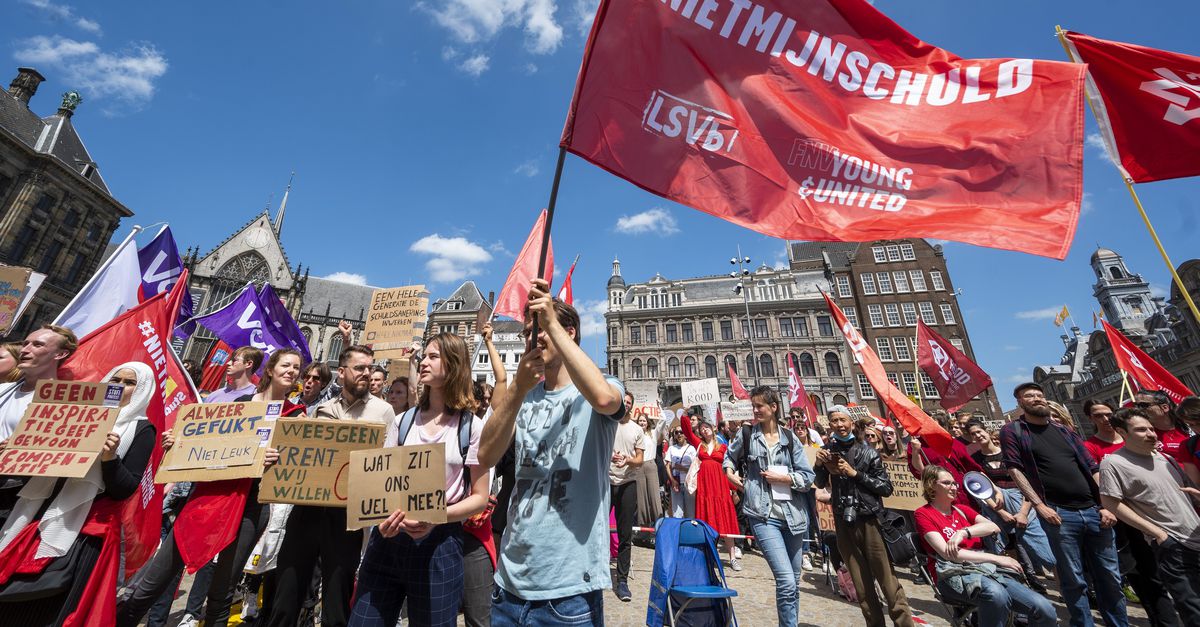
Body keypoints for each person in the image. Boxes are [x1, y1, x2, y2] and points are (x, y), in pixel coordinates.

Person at [478, 279, 623, 626]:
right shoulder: (523, 396)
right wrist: (516, 390)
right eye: (529, 331)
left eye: (540, 328)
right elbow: (485, 456)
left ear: (567, 331)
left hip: (569, 590)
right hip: (509, 583)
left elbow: (605, 400)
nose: (534, 338)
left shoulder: (603, 387)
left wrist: (551, 323)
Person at [118, 350, 298, 627]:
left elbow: (293, 467)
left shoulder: (296, 415)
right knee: (155, 579)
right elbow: (207, 447)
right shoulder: (241, 403)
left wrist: (279, 458)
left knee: (222, 591)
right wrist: (177, 443)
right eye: (286, 365)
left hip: (252, 503)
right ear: (271, 369)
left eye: (297, 368)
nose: (292, 371)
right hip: (209, 497)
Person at [349, 333, 489, 627]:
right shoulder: (403, 422)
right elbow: (383, 480)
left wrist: (435, 517)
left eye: (432, 357)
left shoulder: (471, 427)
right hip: (388, 538)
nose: (423, 362)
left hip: (440, 545)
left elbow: (480, 496)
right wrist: (384, 518)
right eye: (424, 356)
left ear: (453, 365)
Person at [0, 362, 156, 625]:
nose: (118, 387)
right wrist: (17, 450)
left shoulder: (140, 429)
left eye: (129, 383)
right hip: (33, 518)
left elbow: (125, 489)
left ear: (142, 391)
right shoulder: (70, 415)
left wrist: (110, 458)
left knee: (48, 602)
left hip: (82, 530)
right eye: (115, 379)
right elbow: (36, 470)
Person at [266, 345, 396, 627]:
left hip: (346, 518)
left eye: (369, 369)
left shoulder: (383, 411)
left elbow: (388, 464)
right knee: (286, 596)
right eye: (359, 368)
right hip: (307, 510)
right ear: (342, 373)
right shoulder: (322, 410)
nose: (366, 374)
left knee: (337, 603)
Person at [1001, 382, 1126, 627]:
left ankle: (1118, 624)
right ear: (1020, 403)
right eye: (1029, 396)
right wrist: (1040, 505)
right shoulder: (1013, 431)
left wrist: (1106, 504)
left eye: (1039, 395)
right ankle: (1083, 624)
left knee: (1110, 576)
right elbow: (1015, 469)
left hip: (1093, 510)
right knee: (1073, 579)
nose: (1036, 398)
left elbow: (1092, 467)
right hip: (1059, 512)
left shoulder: (1064, 431)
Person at [914, 465, 1057, 627]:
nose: (954, 487)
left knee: (1045, 609)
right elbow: (949, 554)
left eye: (955, 483)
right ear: (931, 485)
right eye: (947, 483)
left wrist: (963, 532)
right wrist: (997, 559)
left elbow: (992, 527)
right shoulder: (923, 513)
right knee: (996, 595)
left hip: (986, 571)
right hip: (952, 574)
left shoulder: (961, 510)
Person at [815, 405, 914, 627]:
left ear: (851, 422)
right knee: (861, 586)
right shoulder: (827, 449)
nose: (839, 425)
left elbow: (885, 488)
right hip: (844, 521)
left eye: (842, 420)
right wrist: (820, 465)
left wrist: (855, 474)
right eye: (834, 421)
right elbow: (820, 484)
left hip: (870, 520)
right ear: (829, 425)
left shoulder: (868, 452)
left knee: (888, 583)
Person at [724, 386, 815, 627]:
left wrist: (788, 479)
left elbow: (808, 476)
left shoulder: (790, 438)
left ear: (773, 407)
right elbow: (729, 459)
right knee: (785, 580)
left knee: (794, 582)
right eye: (753, 406)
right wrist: (730, 473)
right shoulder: (747, 435)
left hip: (793, 516)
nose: (754, 411)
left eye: (759, 406)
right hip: (763, 516)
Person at [1100, 407, 1200, 625]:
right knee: (1194, 610)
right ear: (1122, 432)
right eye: (1141, 430)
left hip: (1196, 536)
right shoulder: (1113, 463)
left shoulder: (1164, 458)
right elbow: (1110, 503)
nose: (1151, 434)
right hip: (1173, 547)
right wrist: (1157, 533)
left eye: (1151, 428)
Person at [0, 325, 77, 522]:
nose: (25, 350)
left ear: (60, 354)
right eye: (25, 343)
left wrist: (23, 448)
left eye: (37, 345)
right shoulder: (5, 389)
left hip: (9, 493)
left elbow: (62, 459)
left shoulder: (62, 403)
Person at [964, 420, 1053, 590]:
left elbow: (1027, 483)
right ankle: (1021, 585)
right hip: (996, 509)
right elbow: (979, 488)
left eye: (979, 431)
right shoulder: (976, 459)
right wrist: (1001, 512)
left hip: (1022, 504)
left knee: (1041, 546)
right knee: (1009, 548)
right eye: (973, 434)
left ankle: (1063, 588)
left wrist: (1024, 512)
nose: (978, 435)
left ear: (987, 431)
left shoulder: (1009, 453)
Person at [681, 406, 742, 570]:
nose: (704, 430)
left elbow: (727, 468)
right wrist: (685, 414)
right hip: (705, 487)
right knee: (708, 520)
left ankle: (732, 557)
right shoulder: (699, 445)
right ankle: (711, 555)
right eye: (702, 429)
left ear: (712, 429)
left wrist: (734, 489)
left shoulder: (722, 447)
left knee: (725, 521)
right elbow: (686, 430)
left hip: (720, 486)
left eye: (706, 427)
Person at [608, 390, 645, 601]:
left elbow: (640, 459)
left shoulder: (637, 429)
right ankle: (595, 574)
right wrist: (609, 456)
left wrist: (627, 460)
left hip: (628, 483)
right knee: (597, 530)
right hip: (607, 481)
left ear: (632, 406)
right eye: (624, 401)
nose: (627, 405)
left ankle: (621, 581)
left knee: (625, 534)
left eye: (630, 402)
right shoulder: (607, 424)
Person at [1134, 390, 1199, 483]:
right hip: (1175, 486)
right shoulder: (1143, 436)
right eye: (1136, 406)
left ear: (1164, 407)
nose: (1138, 410)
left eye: (1143, 405)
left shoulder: (1191, 424)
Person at [634, 411, 666, 527]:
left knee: (654, 495)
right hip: (638, 466)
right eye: (640, 421)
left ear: (647, 422)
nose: (642, 422)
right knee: (641, 497)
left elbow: (663, 420)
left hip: (651, 465)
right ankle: (643, 525)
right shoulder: (634, 434)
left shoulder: (653, 433)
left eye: (643, 420)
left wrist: (659, 407)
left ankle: (658, 522)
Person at [665, 423, 697, 518]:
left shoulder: (691, 449)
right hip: (676, 484)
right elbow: (668, 465)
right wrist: (672, 480)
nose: (679, 434)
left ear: (686, 435)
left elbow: (695, 467)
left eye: (681, 432)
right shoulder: (671, 449)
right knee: (677, 513)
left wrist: (683, 469)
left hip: (688, 484)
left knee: (690, 512)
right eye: (676, 432)